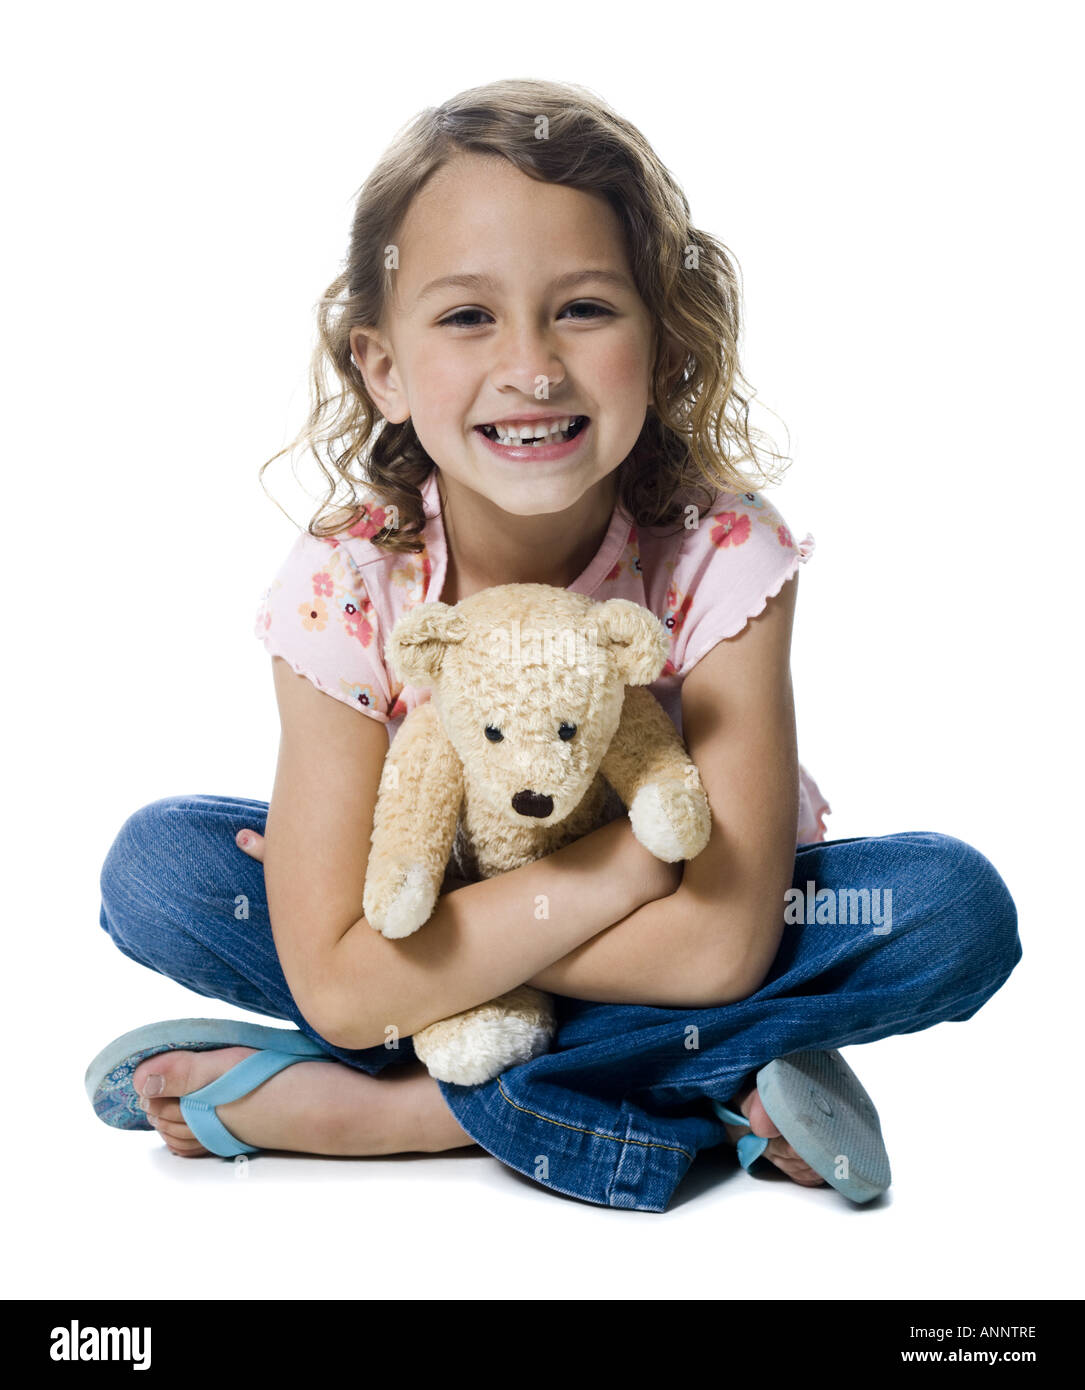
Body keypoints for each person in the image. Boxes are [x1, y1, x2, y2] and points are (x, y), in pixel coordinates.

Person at [87, 78, 1021, 1213]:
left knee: (942, 909)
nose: (532, 367)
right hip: (602, 932)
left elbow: (725, 944)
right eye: (468, 315)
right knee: (165, 872)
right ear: (382, 366)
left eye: (582, 308)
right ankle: (699, 1082)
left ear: (666, 341)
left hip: (538, 953)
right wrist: (637, 867)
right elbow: (333, 979)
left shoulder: (721, 552)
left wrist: (421, 962)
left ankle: (410, 1110)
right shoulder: (350, 578)